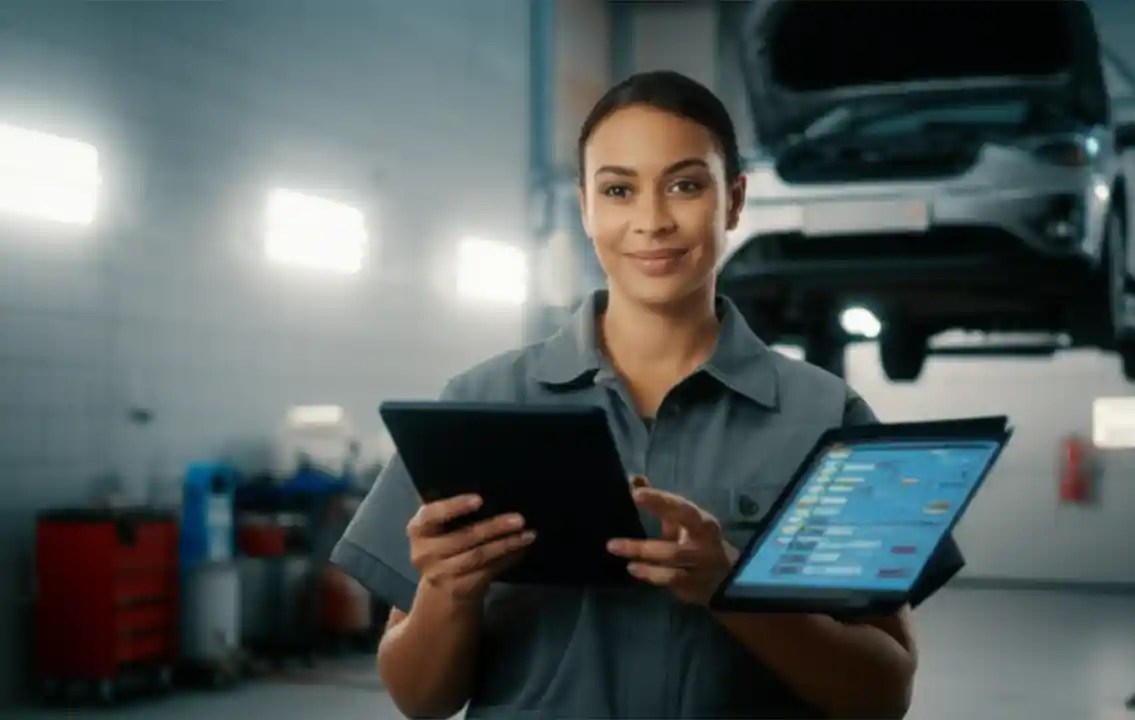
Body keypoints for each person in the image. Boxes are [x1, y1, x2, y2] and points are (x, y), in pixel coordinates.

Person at [331, 70, 965, 719]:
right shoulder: (476, 405)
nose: (652, 221)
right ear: (585, 207)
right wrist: (447, 592)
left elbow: (882, 695)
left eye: (685, 185)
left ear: (734, 200)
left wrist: (731, 590)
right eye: (618, 190)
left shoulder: (829, 419)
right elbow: (420, 700)